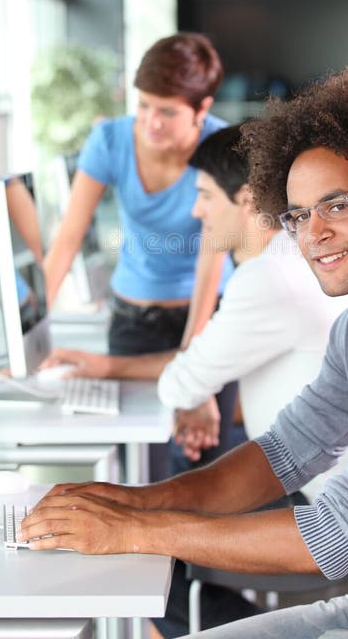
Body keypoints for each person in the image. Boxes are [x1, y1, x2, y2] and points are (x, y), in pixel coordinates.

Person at [19, 67, 348, 639]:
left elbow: (337, 536)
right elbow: (283, 454)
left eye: (338, 205)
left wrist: (136, 529)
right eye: (299, 215)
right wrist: (133, 501)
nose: (315, 233)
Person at [42, 123, 348, 639]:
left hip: (317, 500)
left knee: (142, 552)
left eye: (205, 196)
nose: (196, 212)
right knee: (157, 499)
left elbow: (180, 382)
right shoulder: (286, 263)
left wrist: (194, 391)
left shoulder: (269, 278)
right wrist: (119, 369)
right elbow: (196, 370)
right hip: (306, 471)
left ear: (247, 201)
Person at [43, 32, 230, 478]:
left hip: (206, 321)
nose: (150, 122)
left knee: (206, 468)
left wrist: (193, 367)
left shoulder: (223, 148)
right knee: (139, 473)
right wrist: (26, 330)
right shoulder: (110, 141)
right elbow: (68, 238)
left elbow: (212, 257)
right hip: (132, 322)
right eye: (143, 105)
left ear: (201, 109)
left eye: (167, 110)